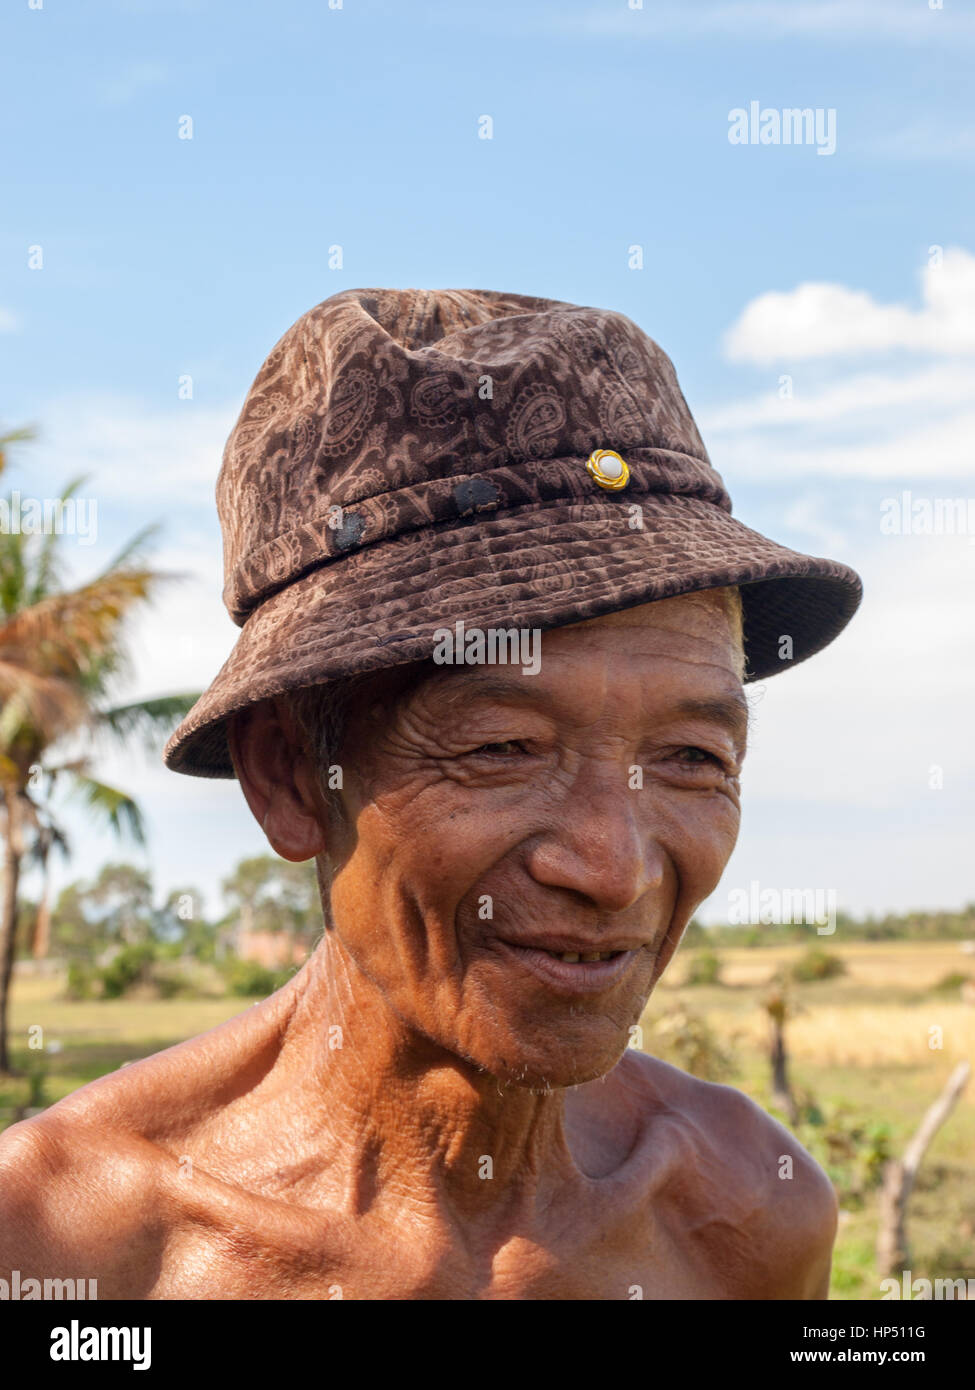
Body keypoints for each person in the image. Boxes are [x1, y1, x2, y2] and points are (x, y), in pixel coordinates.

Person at [0, 287, 862, 1299]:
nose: (616, 867)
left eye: (691, 758)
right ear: (287, 777)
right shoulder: (62, 1244)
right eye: (502, 745)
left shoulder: (747, 1217)